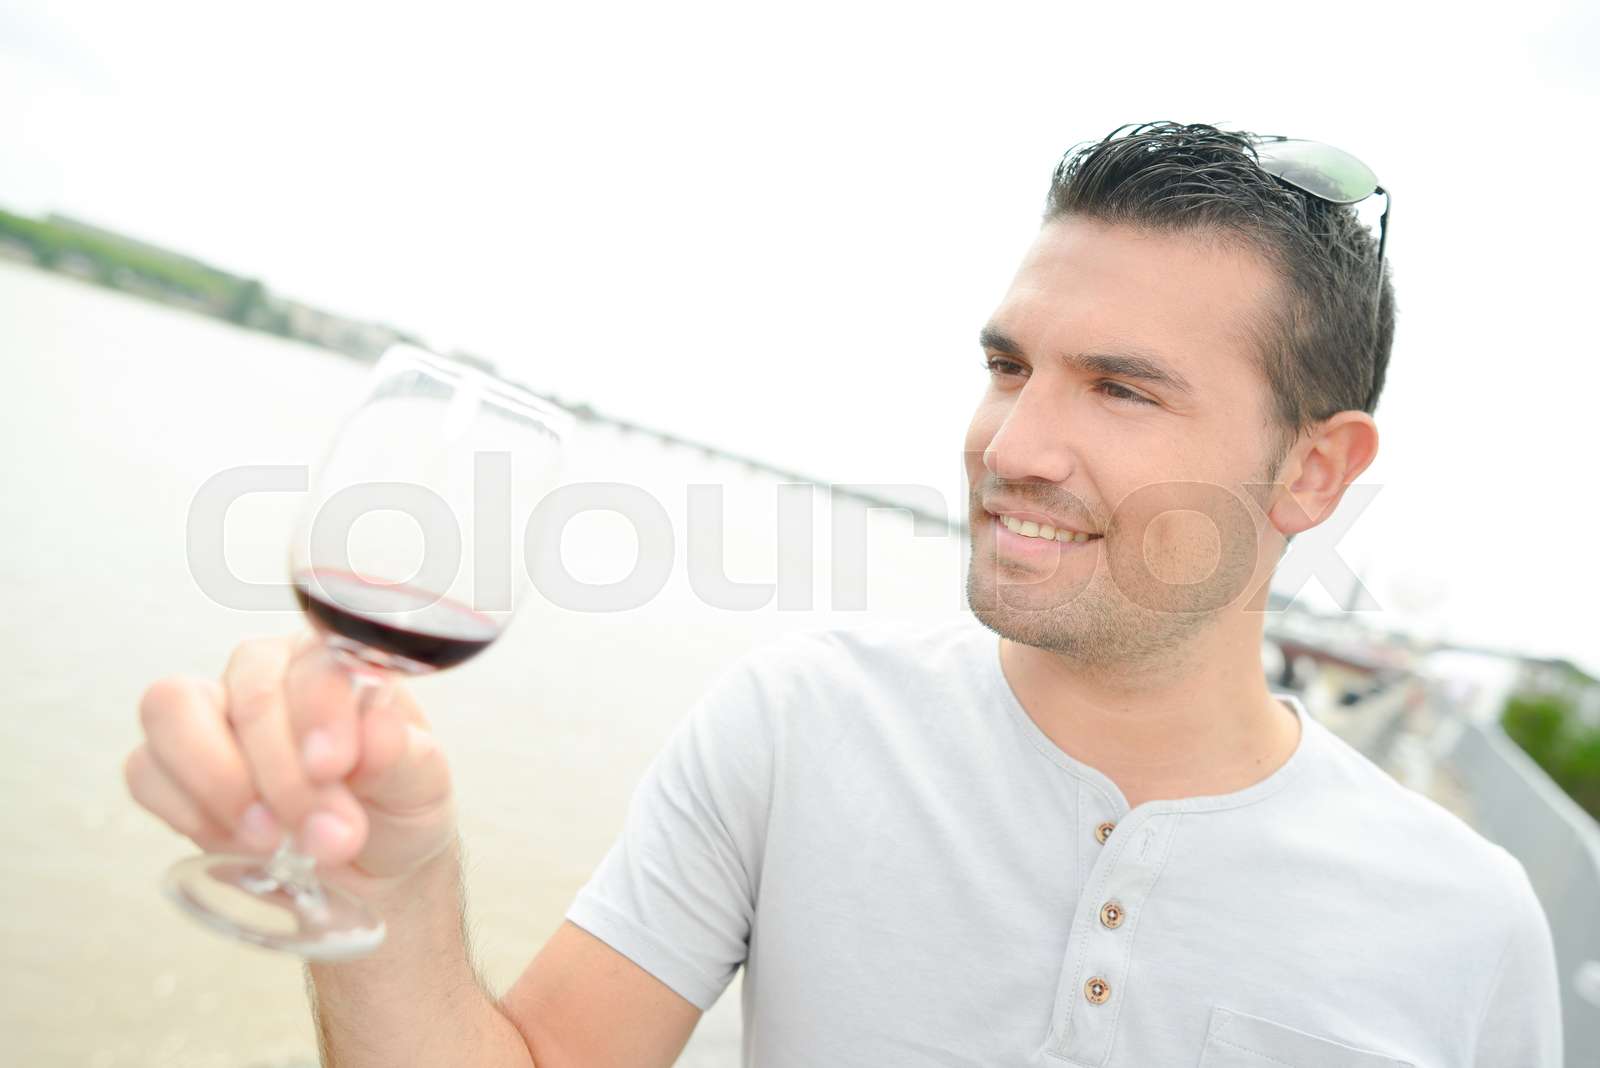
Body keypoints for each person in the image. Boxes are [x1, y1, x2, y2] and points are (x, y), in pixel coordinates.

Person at [125, 121, 1563, 1066]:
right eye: (1010, 367)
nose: (1012, 446)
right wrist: (392, 887)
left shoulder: (1471, 926)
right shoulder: (797, 719)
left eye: (1121, 388)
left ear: (1313, 474)